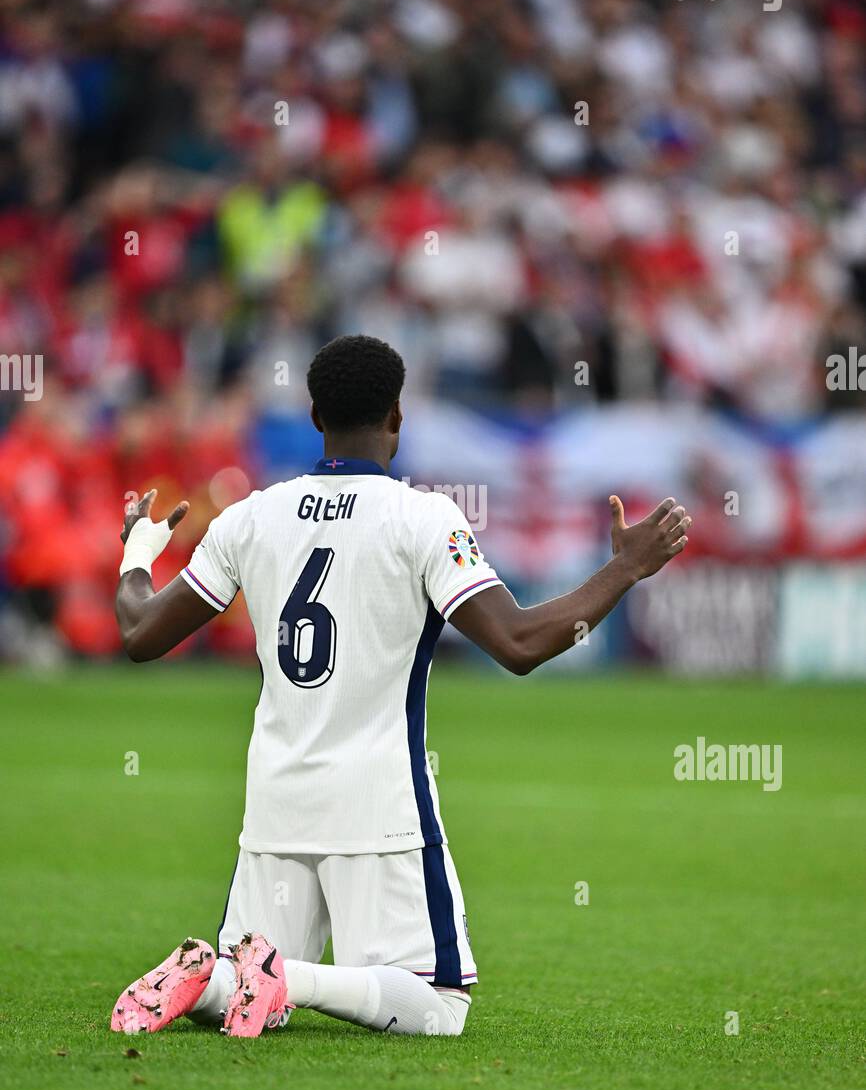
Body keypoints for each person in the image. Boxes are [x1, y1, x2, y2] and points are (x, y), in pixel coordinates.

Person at [111, 334, 691, 1038]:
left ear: (315, 414)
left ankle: (215, 975)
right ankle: (283, 974)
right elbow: (517, 643)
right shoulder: (423, 519)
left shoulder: (250, 517)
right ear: (396, 418)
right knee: (439, 1008)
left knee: (251, 997)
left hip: (274, 805)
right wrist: (623, 572)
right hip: (378, 809)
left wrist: (139, 548)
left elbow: (141, 636)